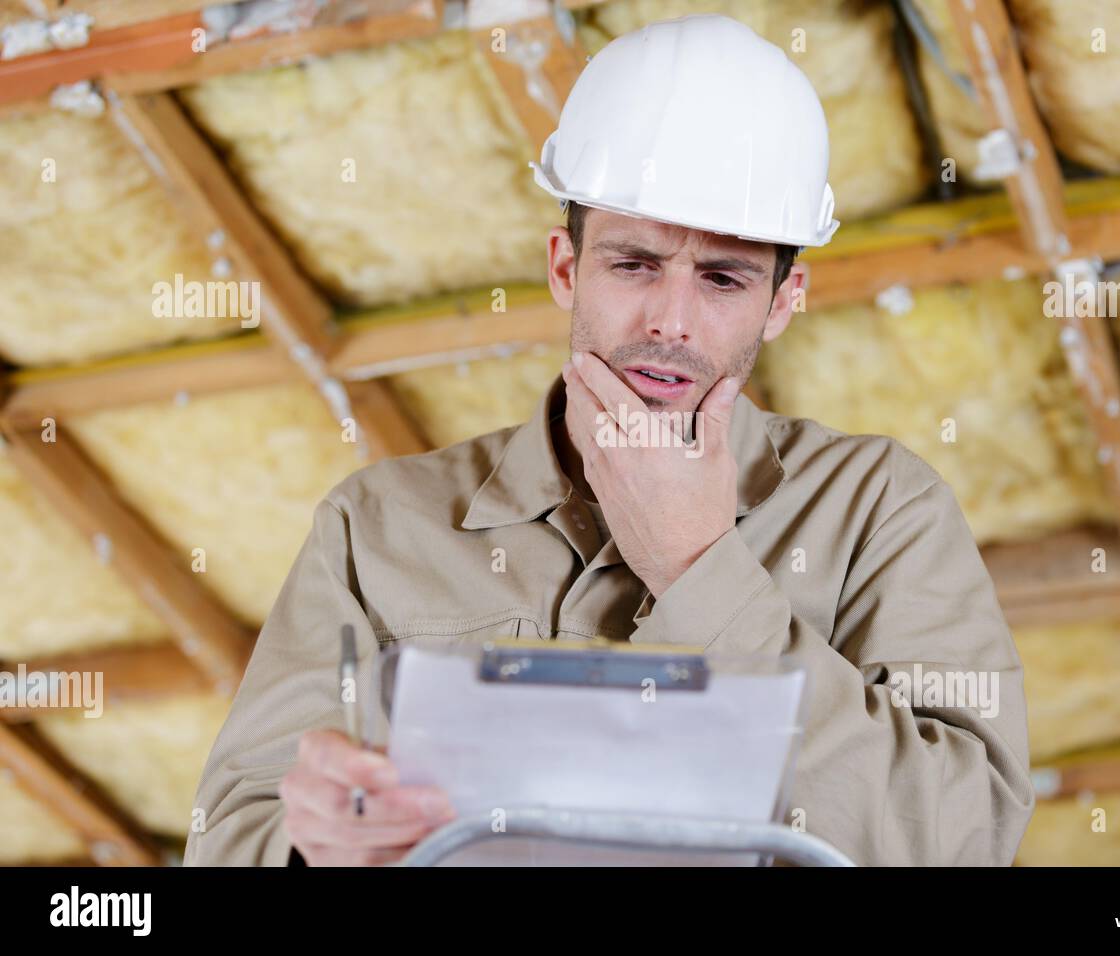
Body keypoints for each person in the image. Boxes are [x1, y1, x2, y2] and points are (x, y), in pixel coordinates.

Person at [184, 13, 1033, 867]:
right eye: (633, 264)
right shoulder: (377, 527)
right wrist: (314, 848)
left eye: (723, 278)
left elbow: (963, 840)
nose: (670, 319)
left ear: (782, 300)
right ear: (565, 266)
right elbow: (226, 834)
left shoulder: (880, 510)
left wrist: (700, 569)